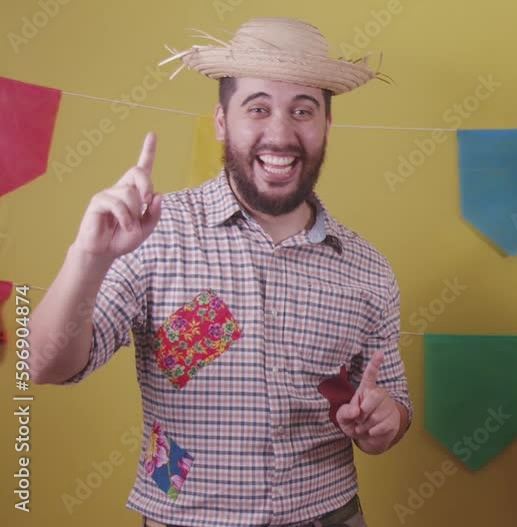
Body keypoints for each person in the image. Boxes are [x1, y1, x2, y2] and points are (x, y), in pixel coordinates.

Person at [28, 17, 410, 527]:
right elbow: (43, 365)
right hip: (183, 515)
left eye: (303, 110)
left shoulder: (368, 268)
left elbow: (395, 402)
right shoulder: (153, 231)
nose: (280, 132)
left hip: (329, 513)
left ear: (325, 126)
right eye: (258, 108)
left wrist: (387, 420)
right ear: (221, 122)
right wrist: (88, 255)